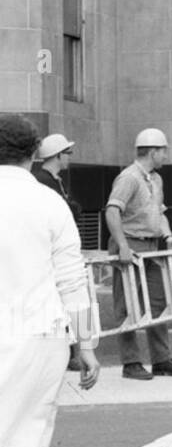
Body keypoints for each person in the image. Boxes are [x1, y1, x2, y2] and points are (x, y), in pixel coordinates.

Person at [0, 114, 99, 447]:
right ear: (34, 152)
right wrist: (86, 345)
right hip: (38, 333)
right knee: (30, 434)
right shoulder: (49, 203)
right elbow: (71, 280)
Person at [104, 129, 172, 380]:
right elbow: (112, 211)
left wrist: (168, 237)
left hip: (153, 245)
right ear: (152, 152)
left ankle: (161, 360)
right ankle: (130, 363)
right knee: (128, 304)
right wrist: (122, 246)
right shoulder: (128, 178)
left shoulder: (155, 179)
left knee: (157, 303)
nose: (166, 155)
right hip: (131, 244)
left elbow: (159, 212)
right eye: (163, 151)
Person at [32, 134, 84, 371]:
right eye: (67, 153)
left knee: (66, 301)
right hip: (51, 254)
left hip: (59, 249)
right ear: (57, 155)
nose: (69, 158)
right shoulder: (43, 181)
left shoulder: (55, 180)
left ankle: (71, 351)